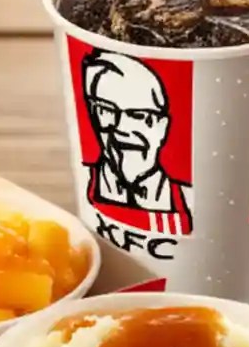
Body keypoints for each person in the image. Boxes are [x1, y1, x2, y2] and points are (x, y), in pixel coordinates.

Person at [80, 50, 193, 236]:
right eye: (106, 110)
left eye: (139, 115)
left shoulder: (192, 201)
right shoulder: (84, 179)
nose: (122, 128)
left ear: (162, 127)